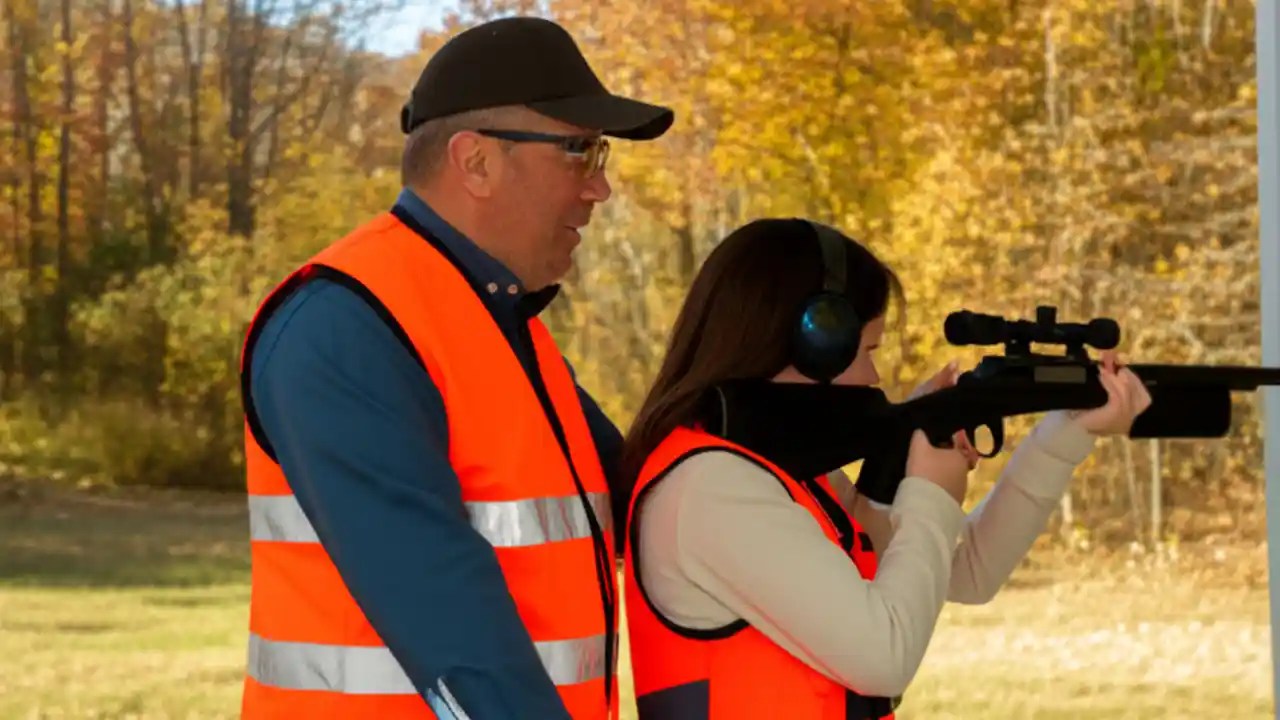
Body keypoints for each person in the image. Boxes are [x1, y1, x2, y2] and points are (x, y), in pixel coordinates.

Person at [236, 16, 673, 720]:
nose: (600, 190)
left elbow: (655, 505)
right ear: (475, 162)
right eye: (580, 152)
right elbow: (448, 616)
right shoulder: (342, 326)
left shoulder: (501, 325)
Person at [619, 218, 1152, 719]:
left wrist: (1065, 437)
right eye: (868, 349)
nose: (874, 374)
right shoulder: (714, 488)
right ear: (815, 346)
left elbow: (966, 572)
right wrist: (929, 495)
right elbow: (886, 655)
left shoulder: (776, 470)